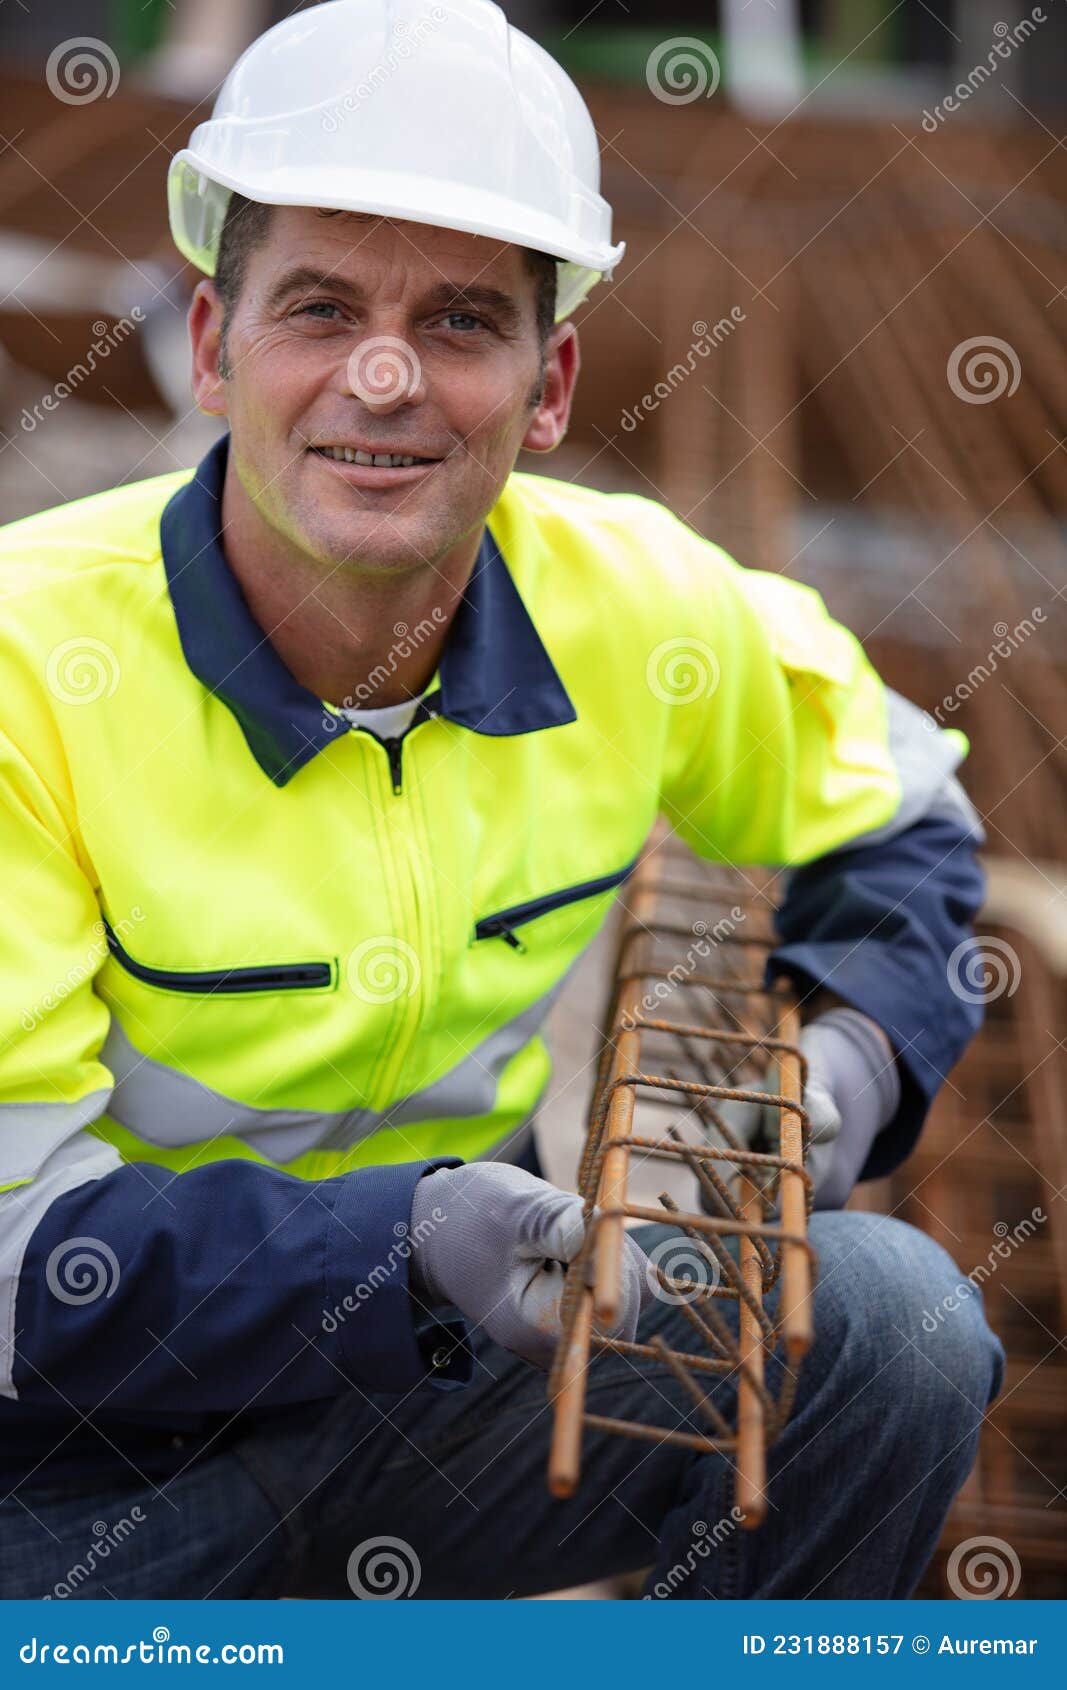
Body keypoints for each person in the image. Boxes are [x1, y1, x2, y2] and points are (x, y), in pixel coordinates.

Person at [0, 0, 1001, 1600]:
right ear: (208, 346)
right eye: (320, 308)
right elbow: (13, 1270)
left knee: (898, 1328)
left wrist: (857, 1053)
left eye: (462, 323)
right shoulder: (26, 667)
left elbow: (906, 810)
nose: (384, 379)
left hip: (454, 1386)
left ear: (551, 387)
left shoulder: (643, 613)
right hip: (78, 1454)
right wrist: (398, 1248)